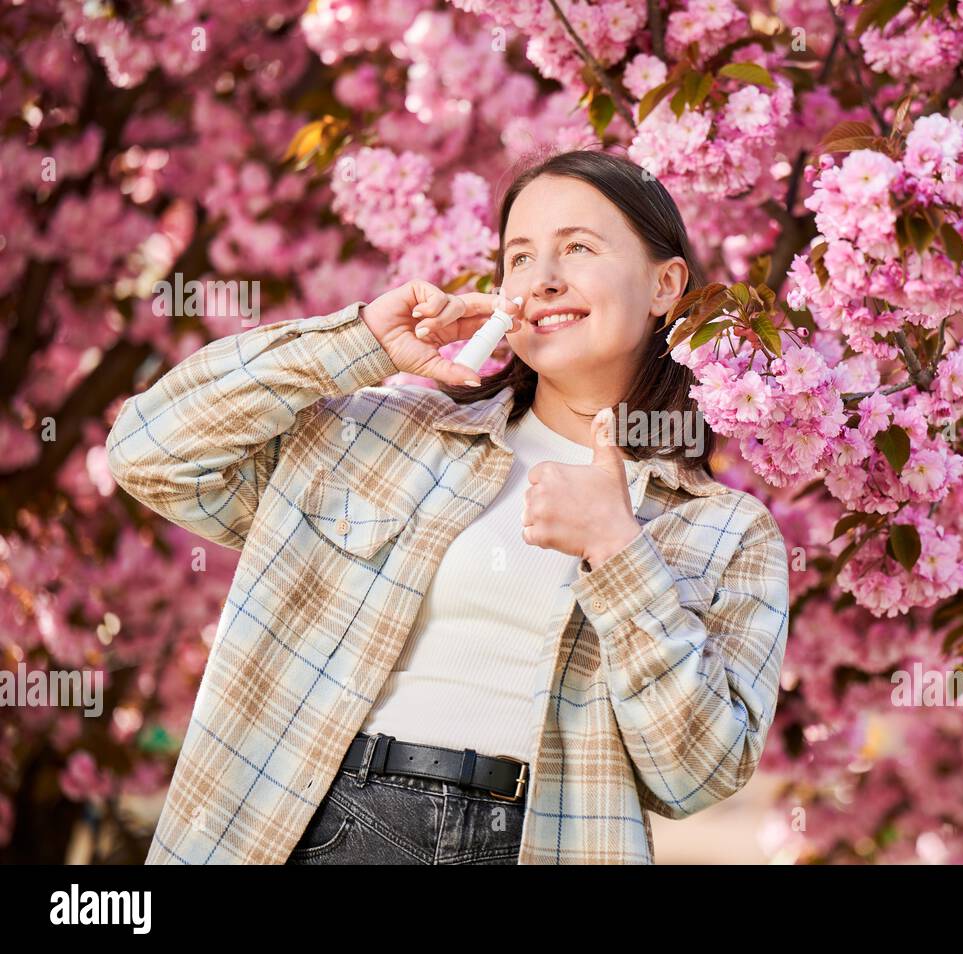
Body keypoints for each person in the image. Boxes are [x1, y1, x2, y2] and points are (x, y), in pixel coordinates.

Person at [106, 148, 790, 864]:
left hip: (540, 842)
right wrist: (360, 342)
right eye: (519, 258)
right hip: (331, 825)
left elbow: (697, 774)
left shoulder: (724, 532)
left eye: (578, 248)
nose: (543, 280)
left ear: (664, 284)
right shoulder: (384, 433)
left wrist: (620, 553)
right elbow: (149, 451)